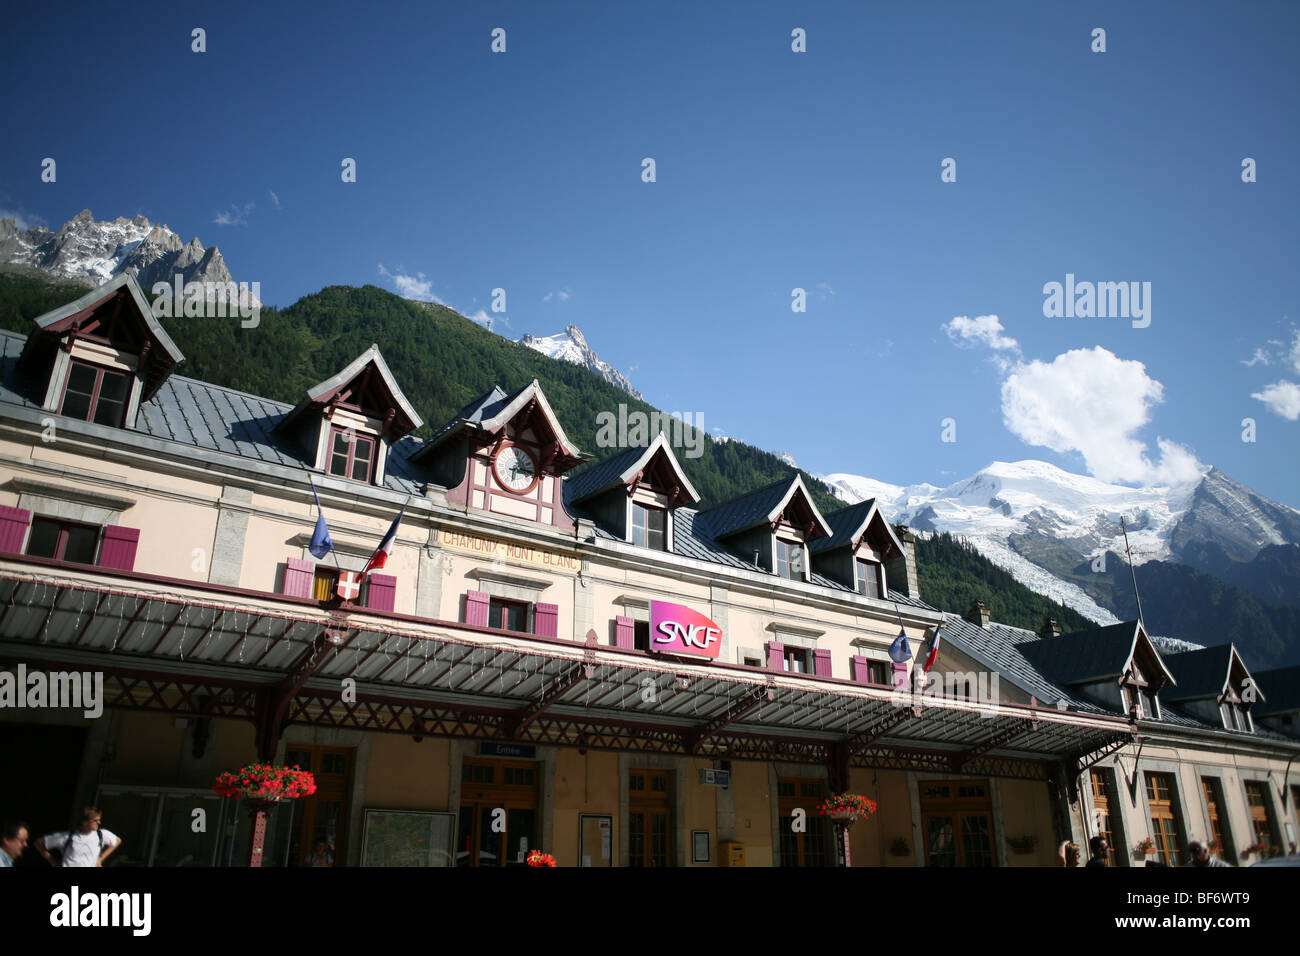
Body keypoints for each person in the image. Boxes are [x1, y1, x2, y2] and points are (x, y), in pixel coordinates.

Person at [36, 807, 122, 868]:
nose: (99, 823)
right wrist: (52, 861)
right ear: (85, 822)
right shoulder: (68, 836)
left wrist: (100, 859)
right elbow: (39, 843)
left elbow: (117, 841)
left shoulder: (101, 835)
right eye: (95, 820)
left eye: (99, 820)